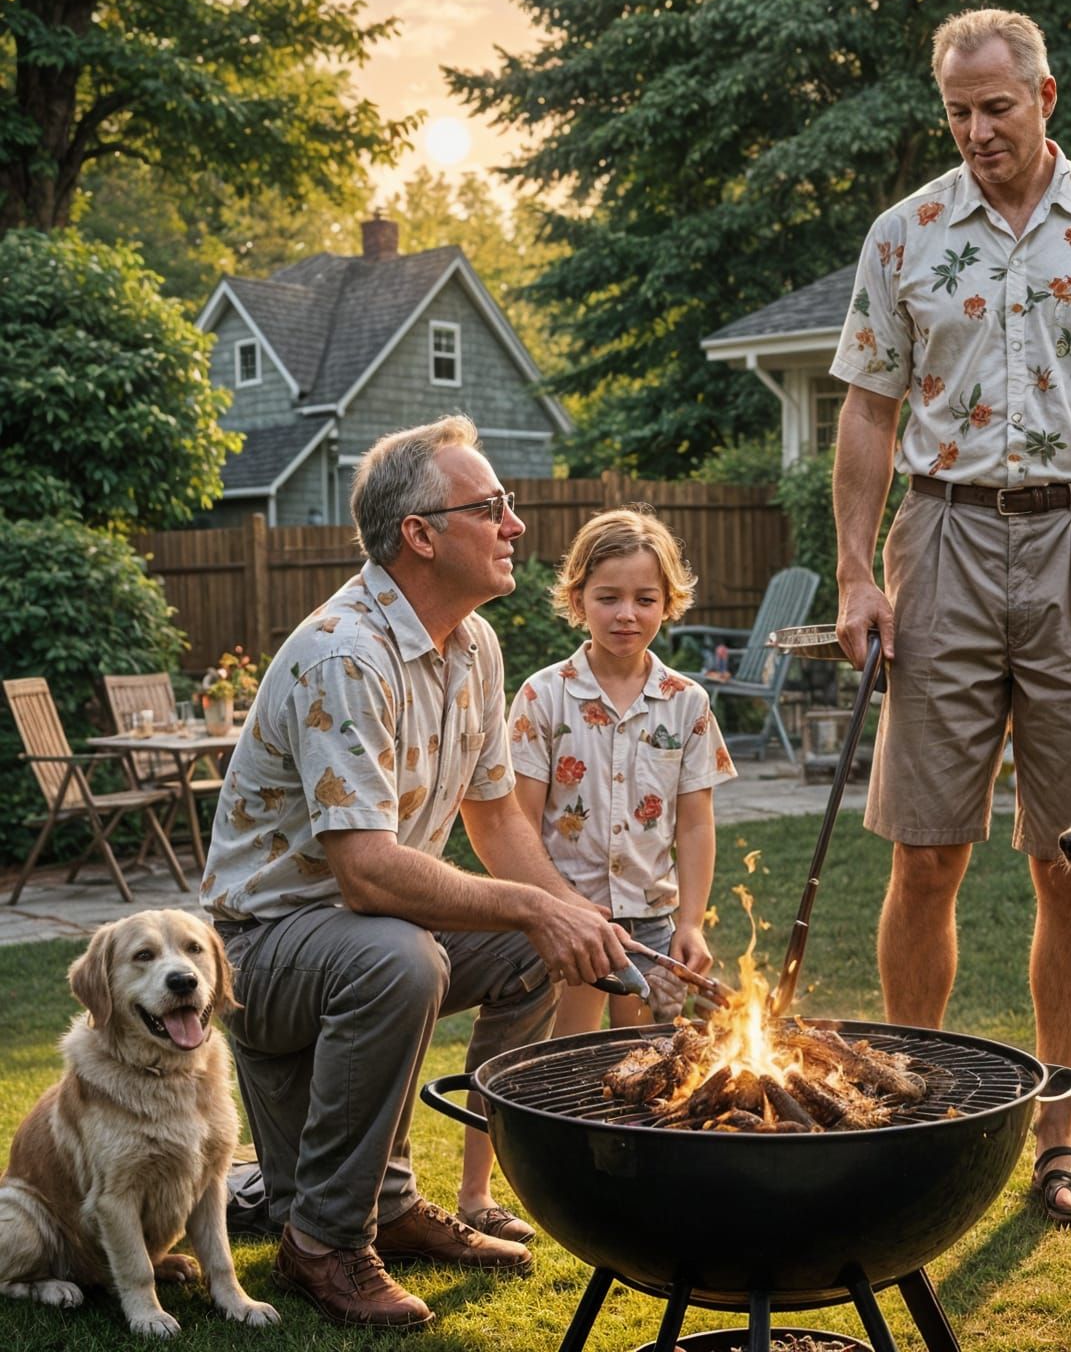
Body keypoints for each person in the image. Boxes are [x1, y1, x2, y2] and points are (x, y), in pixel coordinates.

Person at [831, 7, 1071, 1227]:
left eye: (998, 106)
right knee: (926, 847)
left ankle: (1058, 1128)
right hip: (938, 534)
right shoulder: (905, 236)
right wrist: (854, 572)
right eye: (958, 111)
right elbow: (868, 416)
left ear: (1047, 97)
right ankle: (912, 1104)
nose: (979, 130)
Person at [199, 416, 634, 1330]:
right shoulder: (344, 654)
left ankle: (394, 1204)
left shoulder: (473, 646)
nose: (516, 524)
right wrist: (531, 907)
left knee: (527, 953)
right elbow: (365, 874)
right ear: (422, 535)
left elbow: (497, 819)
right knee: (403, 958)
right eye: (493, 508)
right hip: (264, 953)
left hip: (369, 935)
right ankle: (323, 1240)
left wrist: (578, 920)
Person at [506, 507, 733, 1038]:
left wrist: (692, 924)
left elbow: (696, 823)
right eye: (608, 598)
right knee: (567, 1062)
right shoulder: (543, 697)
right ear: (578, 598)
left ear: (668, 603)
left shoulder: (687, 702)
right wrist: (559, 911)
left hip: (653, 925)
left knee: (648, 1068)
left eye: (645, 599)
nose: (626, 614)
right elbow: (519, 822)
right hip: (566, 923)